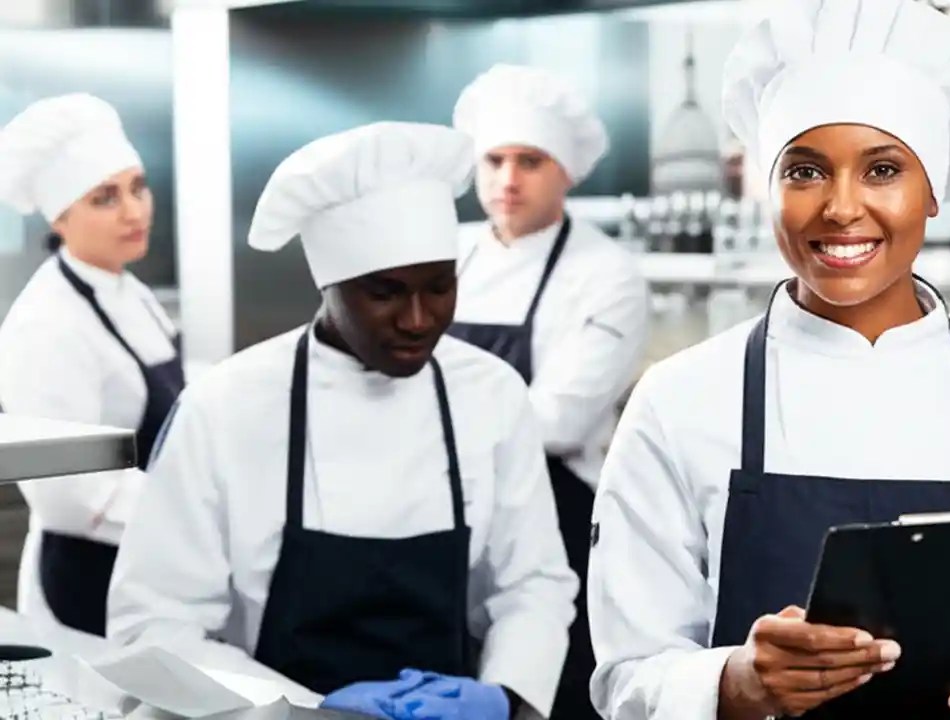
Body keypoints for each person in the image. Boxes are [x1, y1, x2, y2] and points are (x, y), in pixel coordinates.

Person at [587, 2, 950, 719]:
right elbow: (625, 673)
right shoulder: (677, 400)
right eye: (804, 171)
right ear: (767, 189)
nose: (841, 207)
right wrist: (734, 683)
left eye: (883, 169)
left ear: (933, 193)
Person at [107, 122, 578, 720]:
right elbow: (154, 628)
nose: (417, 319)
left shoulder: (491, 395)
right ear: (329, 285)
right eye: (385, 292)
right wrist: (308, 710)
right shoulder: (225, 408)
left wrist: (507, 696)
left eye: (439, 288)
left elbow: (532, 583)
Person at [451, 64, 649, 720]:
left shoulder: (606, 274)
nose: (508, 179)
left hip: (556, 523)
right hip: (446, 518)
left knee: (549, 694)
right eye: (495, 160)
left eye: (530, 161)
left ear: (566, 170)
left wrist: (419, 429)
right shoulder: (446, 258)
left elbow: (556, 420)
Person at [0, 93, 184, 636]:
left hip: (145, 565)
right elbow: (70, 500)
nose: (134, 210)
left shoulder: (131, 291)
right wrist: (198, 517)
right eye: (105, 197)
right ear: (60, 215)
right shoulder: (46, 325)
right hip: (86, 582)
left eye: (137, 187)